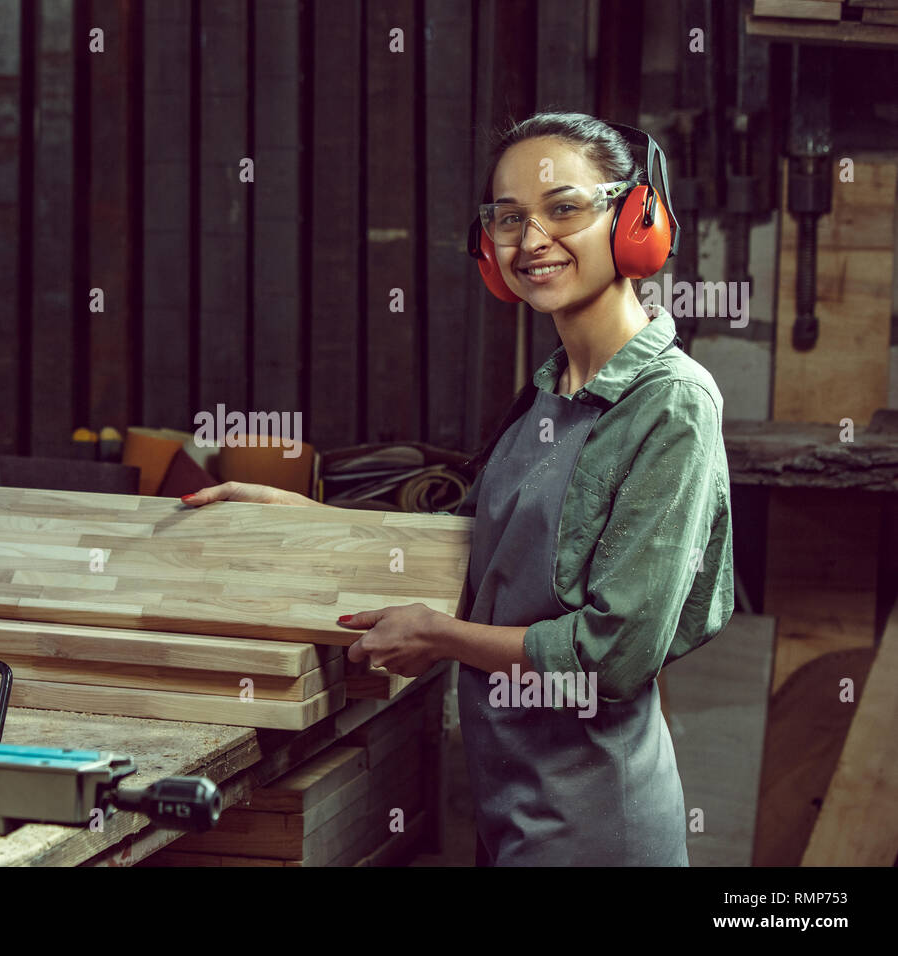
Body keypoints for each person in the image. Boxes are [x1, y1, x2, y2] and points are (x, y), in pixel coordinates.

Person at [181, 112, 734, 866]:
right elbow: (465, 555)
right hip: (509, 802)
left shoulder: (672, 404)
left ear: (637, 219)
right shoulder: (545, 398)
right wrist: (305, 519)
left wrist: (440, 638)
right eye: (509, 218)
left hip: (596, 821)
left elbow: (613, 656)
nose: (531, 240)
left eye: (563, 209)